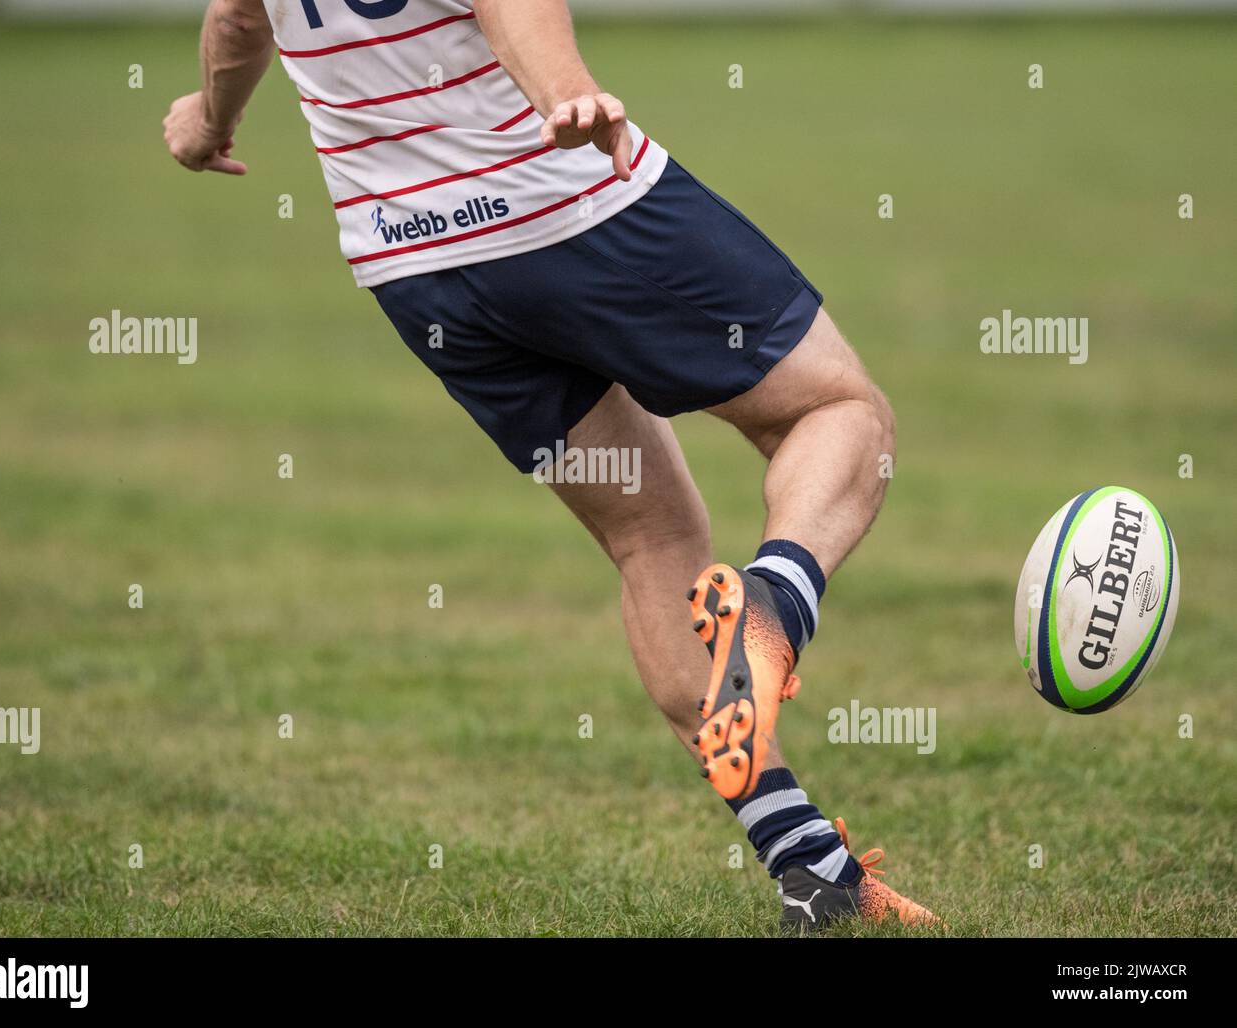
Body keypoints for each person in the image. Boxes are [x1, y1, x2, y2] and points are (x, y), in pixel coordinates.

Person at [162, 0, 938, 932]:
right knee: (841, 410)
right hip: (565, 208)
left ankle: (812, 873)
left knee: (651, 535)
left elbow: (239, 17)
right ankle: (770, 612)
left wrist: (209, 120)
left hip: (416, 268)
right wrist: (567, 94)